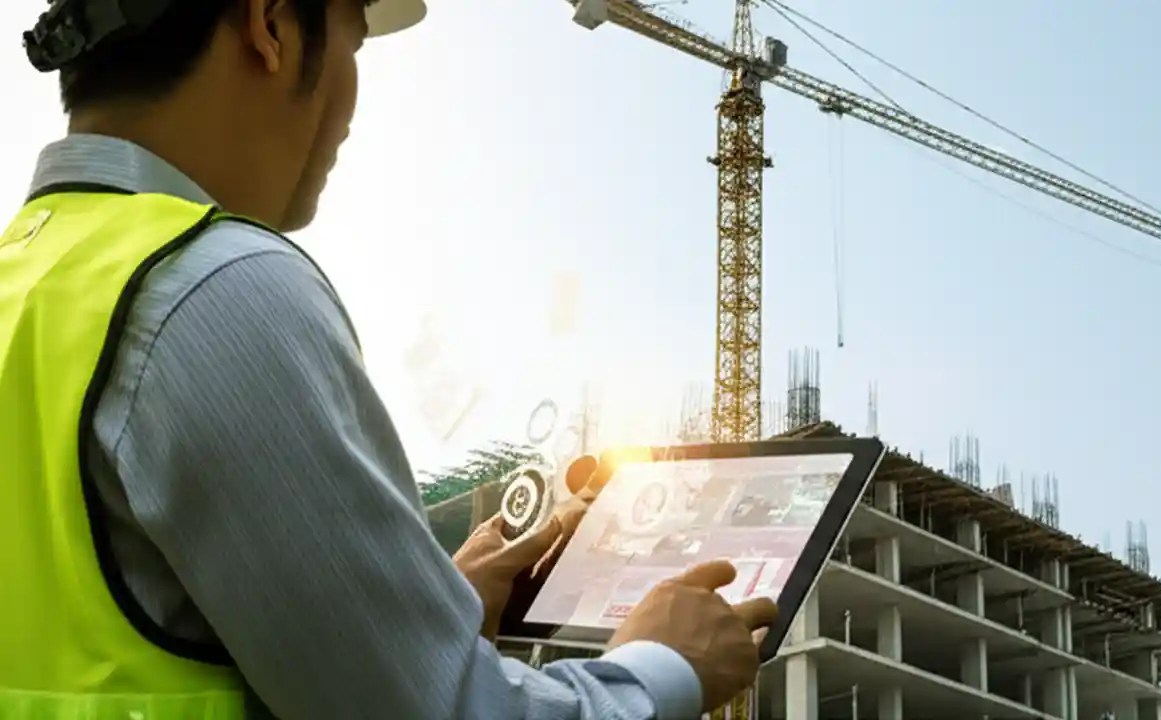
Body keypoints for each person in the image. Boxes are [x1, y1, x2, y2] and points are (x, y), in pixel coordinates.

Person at [0, 0, 778, 718]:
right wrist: (660, 667)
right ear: (271, 25)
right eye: (355, 39)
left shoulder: (29, 287)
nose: (350, 101)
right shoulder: (215, 286)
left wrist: (419, 614)